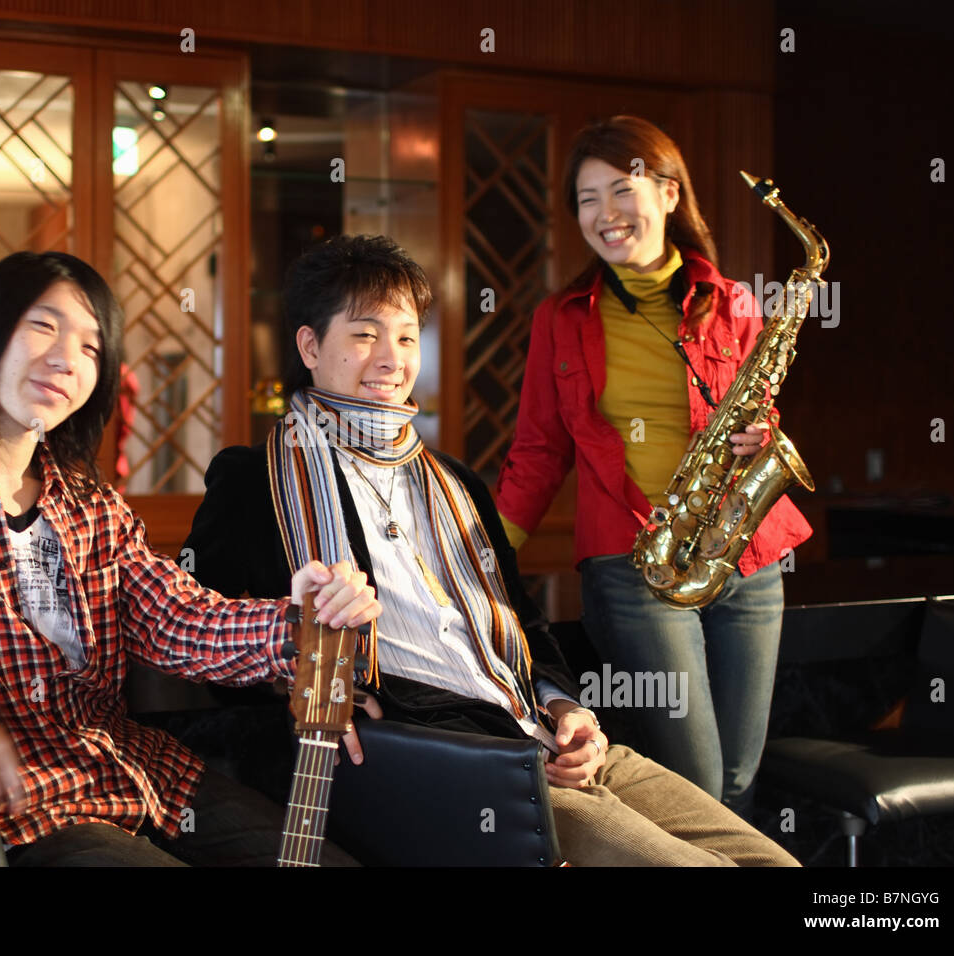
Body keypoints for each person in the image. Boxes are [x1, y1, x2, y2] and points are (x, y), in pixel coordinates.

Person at [183, 234, 799, 865]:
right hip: (452, 760)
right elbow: (205, 627)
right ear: (310, 346)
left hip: (541, 731)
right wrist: (305, 684)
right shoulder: (254, 480)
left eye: (404, 336)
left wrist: (568, 708)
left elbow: (524, 620)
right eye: (364, 335)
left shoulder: (455, 482)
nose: (392, 359)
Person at [0, 251, 376, 866]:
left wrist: (298, 622)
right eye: (43, 327)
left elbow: (178, 621)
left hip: (142, 779)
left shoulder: (92, 506)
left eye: (93, 348)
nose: (67, 359)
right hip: (21, 819)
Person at [493, 116, 813, 816]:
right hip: (636, 561)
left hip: (747, 558)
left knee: (740, 781)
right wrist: (483, 554)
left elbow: (759, 412)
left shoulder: (735, 302)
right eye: (586, 199)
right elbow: (540, 451)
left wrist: (763, 437)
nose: (604, 214)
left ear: (670, 194)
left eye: (620, 190)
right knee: (696, 784)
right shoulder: (562, 317)